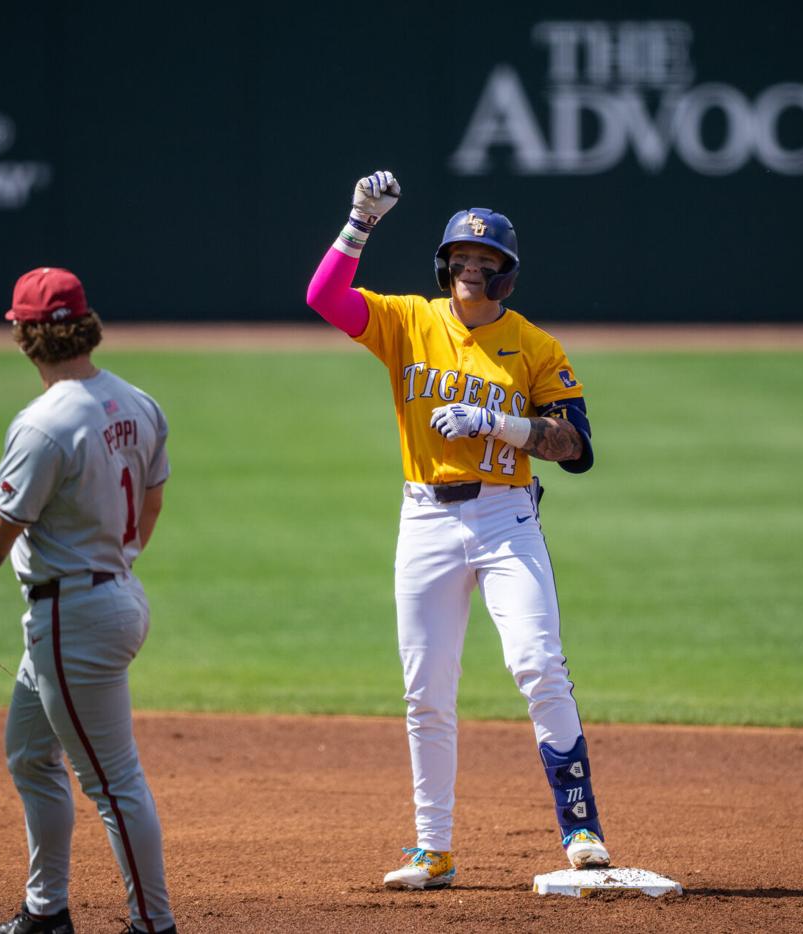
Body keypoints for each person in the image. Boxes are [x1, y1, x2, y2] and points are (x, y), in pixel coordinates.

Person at [306, 171, 612, 890]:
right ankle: (432, 848)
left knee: (536, 662)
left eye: (487, 261)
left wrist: (500, 424)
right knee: (425, 689)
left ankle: (582, 828)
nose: (472, 268)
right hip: (424, 519)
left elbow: (578, 448)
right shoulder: (410, 321)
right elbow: (325, 298)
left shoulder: (533, 346)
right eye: (461, 258)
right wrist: (359, 222)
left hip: (506, 518)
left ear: (507, 273)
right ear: (444, 265)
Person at [0, 267, 177, 934]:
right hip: (110, 596)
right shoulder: (135, 402)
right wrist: (113, 559)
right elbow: (151, 501)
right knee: (30, 755)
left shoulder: (43, 424)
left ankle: (154, 925)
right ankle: (46, 914)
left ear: (28, 336)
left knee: (114, 783)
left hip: (75, 617)